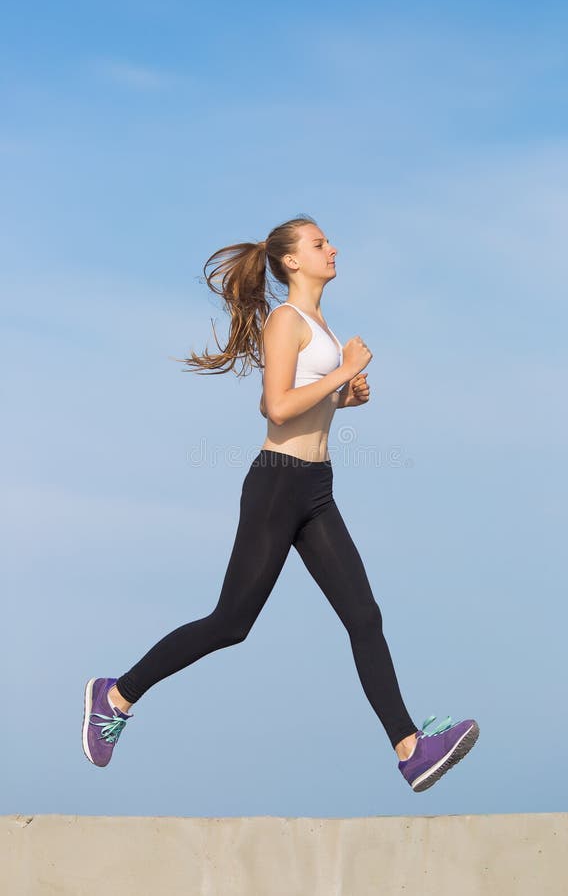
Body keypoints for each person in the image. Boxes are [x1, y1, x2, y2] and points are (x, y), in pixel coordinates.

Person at [82, 213, 479, 792]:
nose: (332, 249)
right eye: (320, 244)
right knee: (230, 623)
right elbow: (275, 407)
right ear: (292, 260)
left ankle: (410, 749)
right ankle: (115, 696)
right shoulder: (286, 320)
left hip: (316, 488)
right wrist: (344, 372)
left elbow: (297, 402)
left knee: (364, 616)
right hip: (277, 485)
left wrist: (345, 397)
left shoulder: (319, 325)